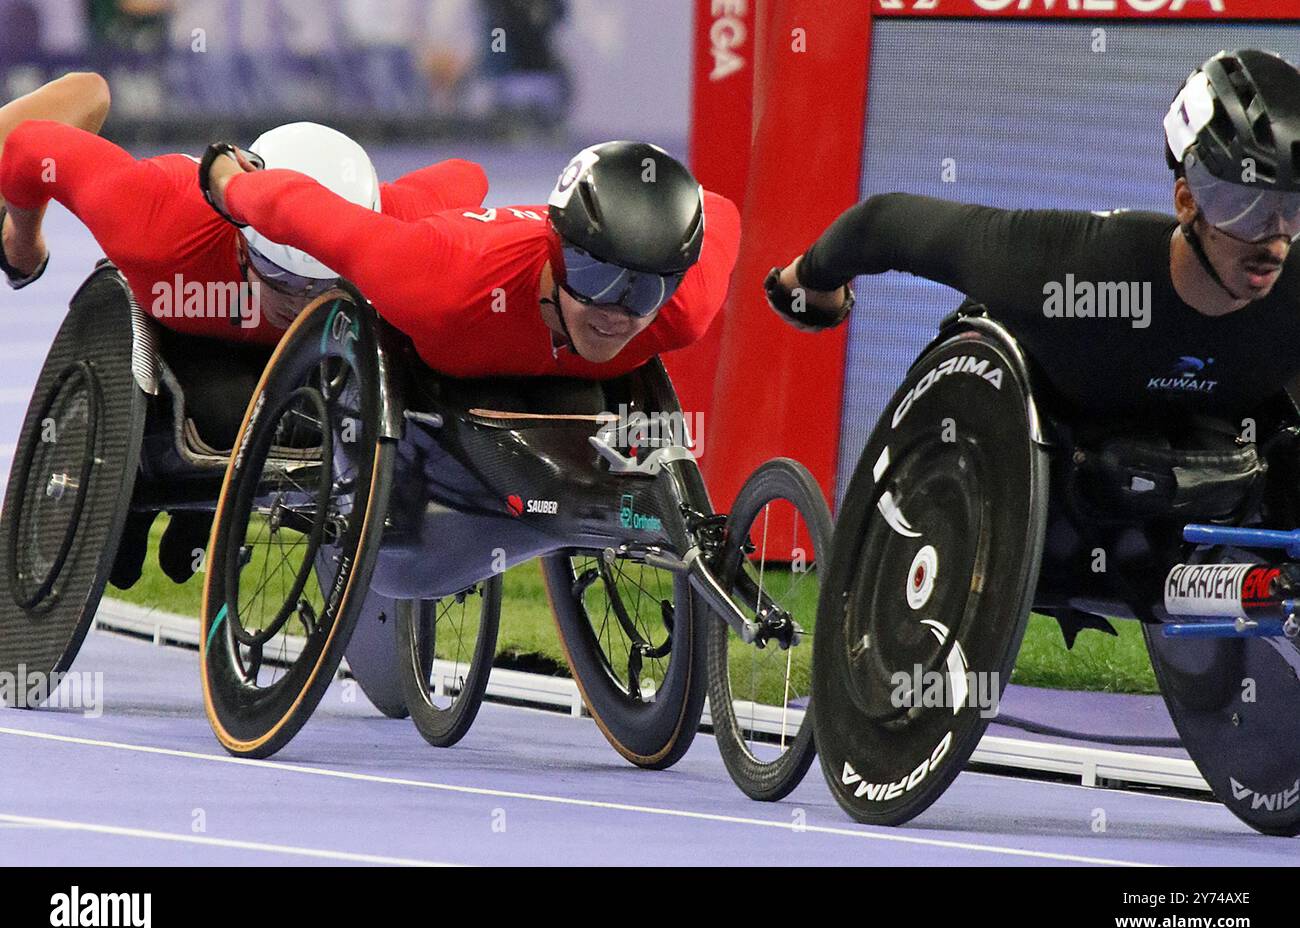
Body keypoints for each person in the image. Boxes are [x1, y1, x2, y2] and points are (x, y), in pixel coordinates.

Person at [0, 73, 492, 587]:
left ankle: (209, 506)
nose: (301, 302)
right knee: (120, 567)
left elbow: (468, 176)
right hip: (178, 333)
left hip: (276, 373)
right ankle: (150, 495)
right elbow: (29, 148)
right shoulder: (151, 217)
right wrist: (22, 242)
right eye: (282, 278)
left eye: (323, 282)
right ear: (242, 236)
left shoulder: (395, 222)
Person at [764, 48, 1300, 427]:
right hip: (1044, 459)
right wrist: (808, 282)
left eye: (1292, 210)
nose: (1273, 240)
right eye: (1244, 206)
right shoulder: (1073, 270)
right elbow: (884, 223)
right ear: (1186, 201)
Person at [201, 138, 741, 379]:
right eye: (596, 278)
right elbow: (302, 210)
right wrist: (225, 181)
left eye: (645, 289)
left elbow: (718, 209)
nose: (619, 312)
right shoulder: (439, 276)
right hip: (457, 283)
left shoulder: (685, 301)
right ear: (556, 253)